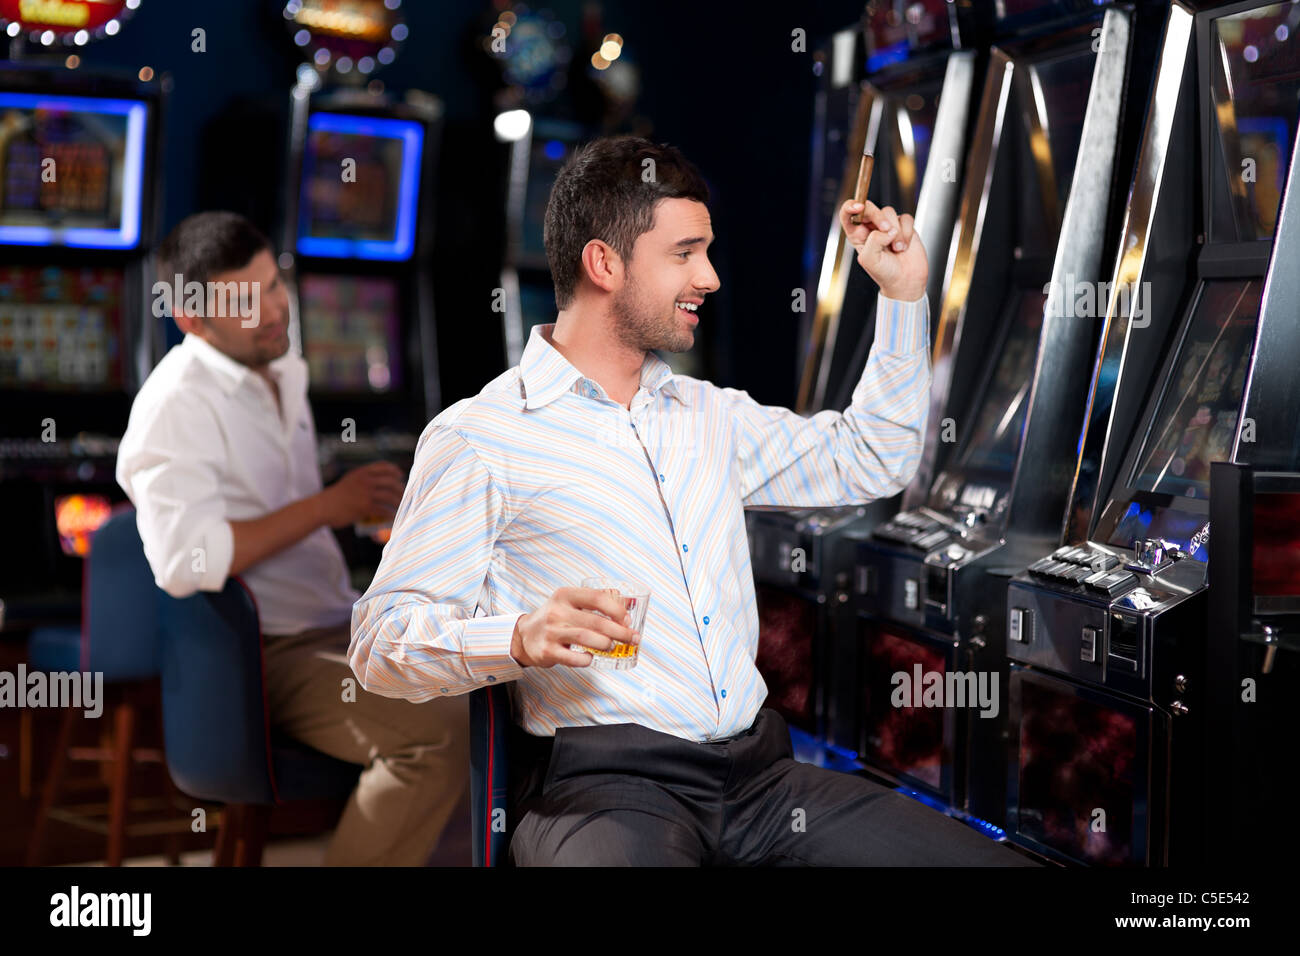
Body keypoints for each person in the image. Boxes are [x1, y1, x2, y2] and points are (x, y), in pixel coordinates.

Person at [350, 137, 1036, 866]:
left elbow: (872, 457)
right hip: (605, 791)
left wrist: (900, 297)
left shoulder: (708, 413)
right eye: (684, 253)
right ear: (604, 263)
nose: (709, 276)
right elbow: (379, 642)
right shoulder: (481, 436)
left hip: (761, 778)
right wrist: (516, 637)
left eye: (706, 252)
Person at [116, 212, 468, 866]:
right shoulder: (175, 404)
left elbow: (285, 508)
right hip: (262, 654)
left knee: (499, 681)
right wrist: (325, 507)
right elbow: (183, 563)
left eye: (273, 283)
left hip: (341, 624)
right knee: (438, 734)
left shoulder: (282, 368)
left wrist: (371, 515)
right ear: (192, 320)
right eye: (247, 302)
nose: (276, 308)